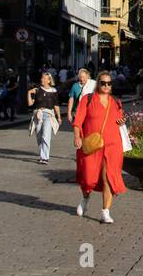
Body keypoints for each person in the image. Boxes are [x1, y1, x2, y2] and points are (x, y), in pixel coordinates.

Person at [72, 73, 127, 224]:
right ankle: (85, 197)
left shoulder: (116, 102)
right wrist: (77, 136)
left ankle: (105, 211)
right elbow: (78, 121)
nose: (107, 86)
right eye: (103, 83)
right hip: (92, 145)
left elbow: (119, 121)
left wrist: (122, 121)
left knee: (108, 176)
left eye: (109, 83)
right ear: (98, 83)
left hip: (112, 145)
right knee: (88, 178)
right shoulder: (88, 99)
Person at [27, 72, 61, 164]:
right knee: (39, 136)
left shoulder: (53, 91)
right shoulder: (37, 90)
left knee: (46, 136)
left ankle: (44, 157)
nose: (42, 80)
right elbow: (30, 104)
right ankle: (43, 153)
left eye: (45, 78)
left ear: (49, 80)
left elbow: (56, 105)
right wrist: (29, 93)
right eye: (42, 78)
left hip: (48, 115)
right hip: (38, 114)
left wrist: (59, 117)